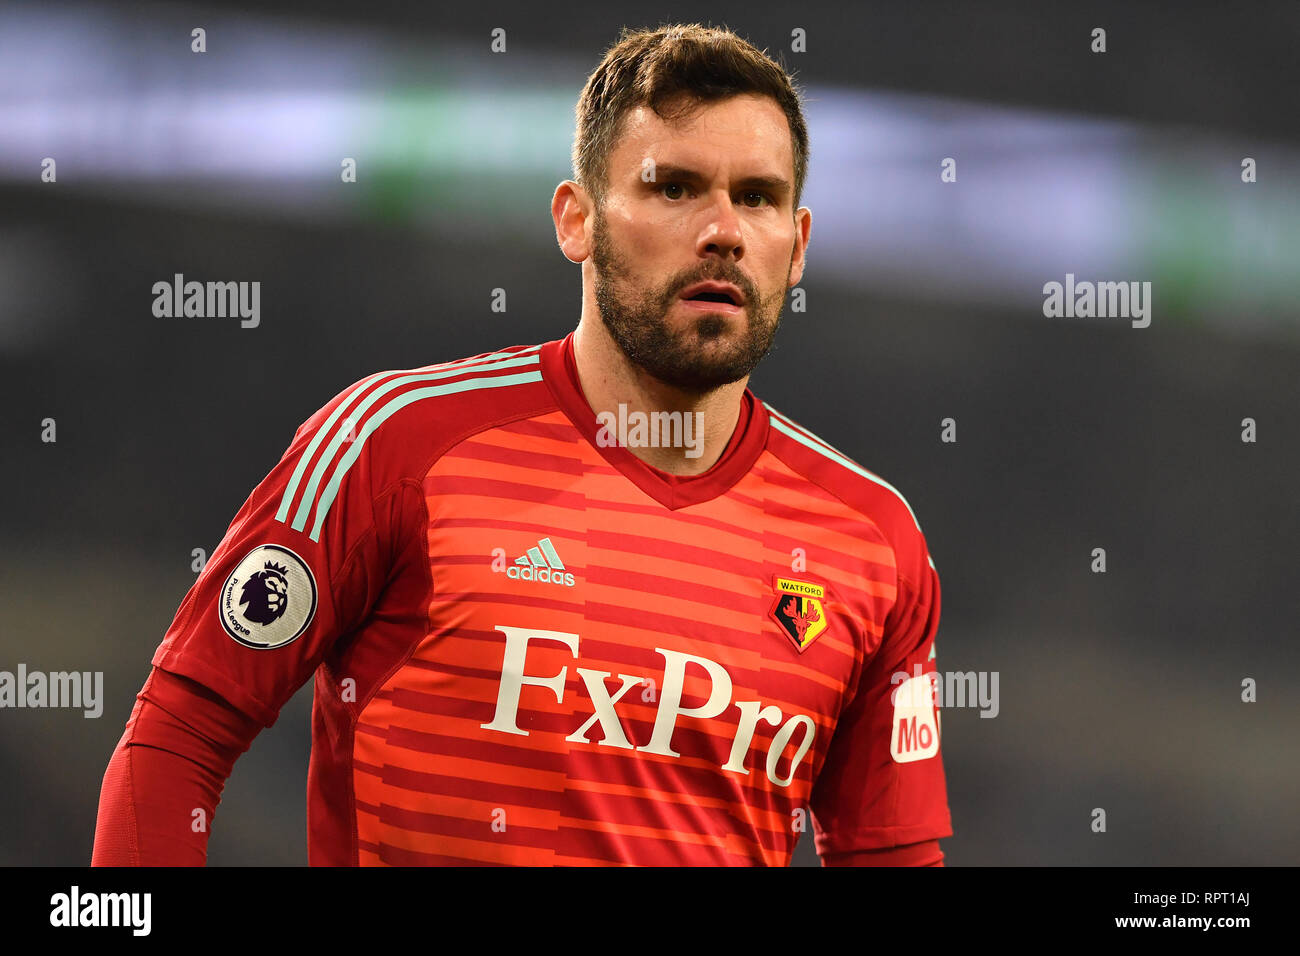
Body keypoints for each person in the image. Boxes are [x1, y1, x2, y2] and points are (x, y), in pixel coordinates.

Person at [93, 22, 951, 866]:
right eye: (673, 187)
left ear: (796, 247)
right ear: (576, 221)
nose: (723, 229)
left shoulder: (875, 545)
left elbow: (894, 859)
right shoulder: (392, 446)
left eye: (756, 197)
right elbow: (181, 732)